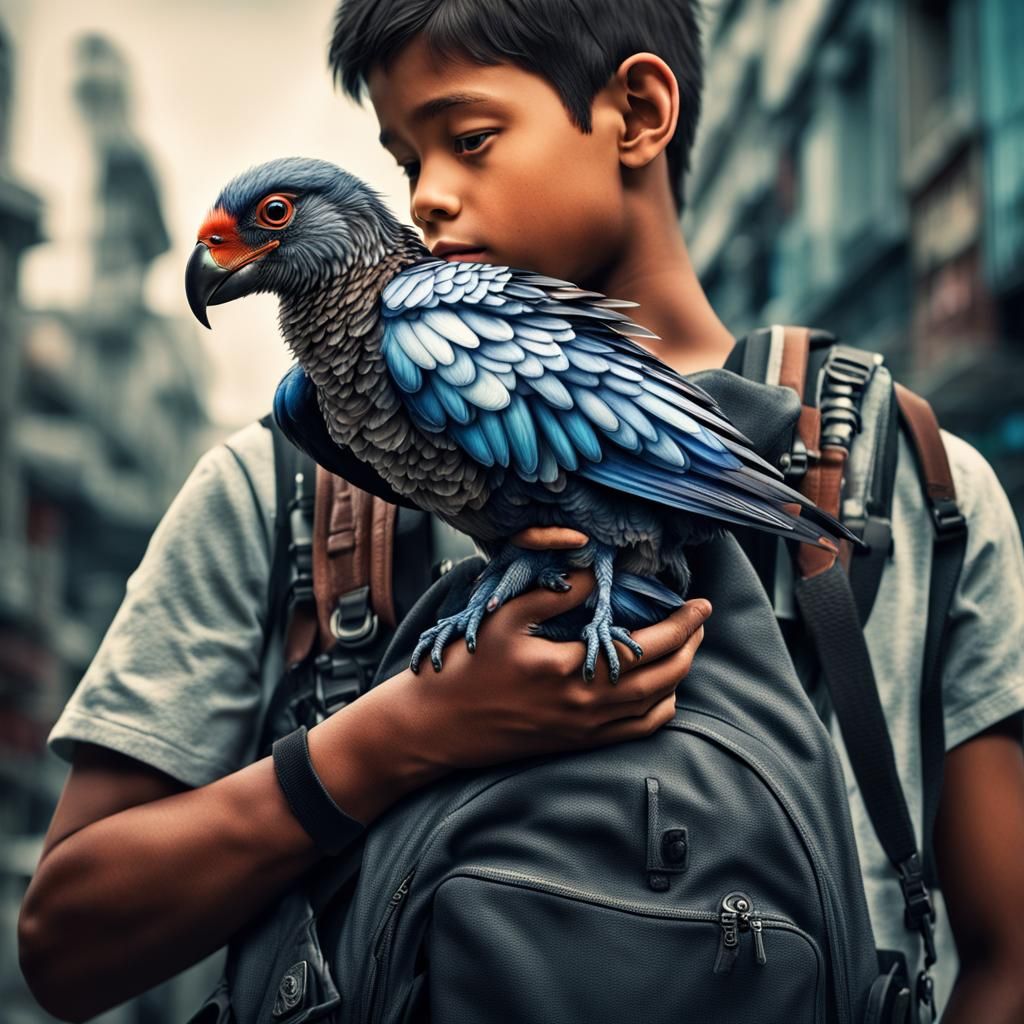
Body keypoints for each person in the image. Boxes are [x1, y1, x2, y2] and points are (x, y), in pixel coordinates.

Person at [19, 1, 1024, 1021]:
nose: (429, 200)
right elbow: (63, 946)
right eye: (407, 164)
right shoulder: (272, 484)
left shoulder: (922, 491)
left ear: (637, 110)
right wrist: (398, 736)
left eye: (468, 140)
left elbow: (1009, 960)